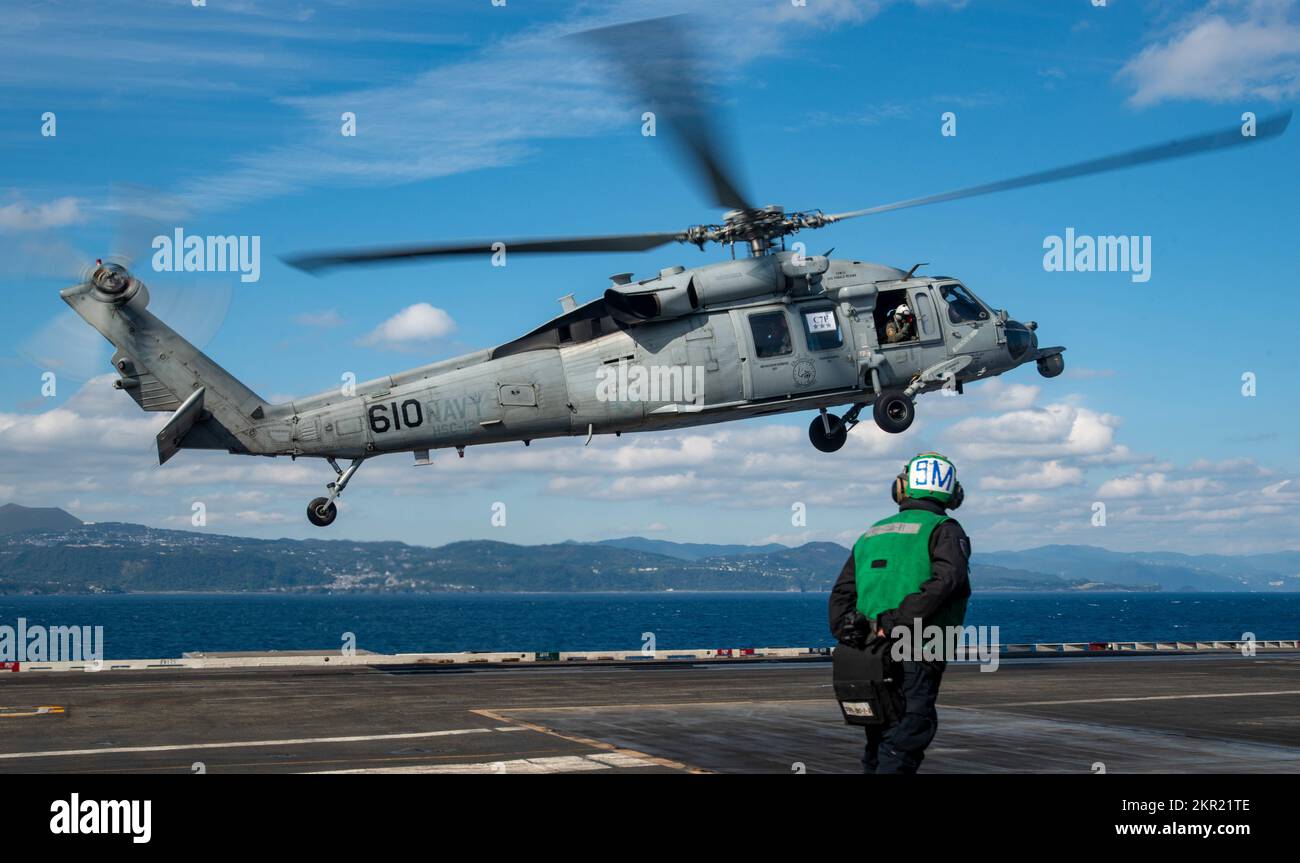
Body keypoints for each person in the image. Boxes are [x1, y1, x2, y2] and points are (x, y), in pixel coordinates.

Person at [828, 452, 971, 774]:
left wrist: (848, 630)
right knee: (906, 735)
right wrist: (895, 622)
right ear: (953, 492)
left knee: (878, 738)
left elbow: (842, 592)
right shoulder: (944, 529)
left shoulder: (873, 532)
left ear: (902, 487)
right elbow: (947, 581)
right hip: (919, 649)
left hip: (868, 653)